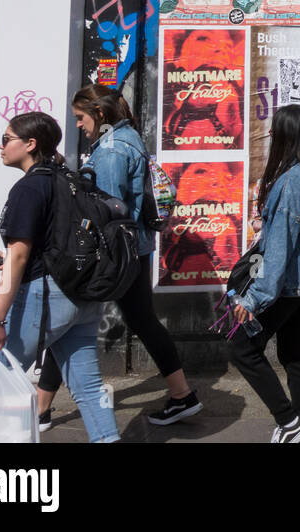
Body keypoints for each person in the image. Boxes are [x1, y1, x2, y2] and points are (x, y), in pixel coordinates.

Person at [36, 85, 201, 431]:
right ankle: (183, 395)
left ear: (98, 113)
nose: (78, 126)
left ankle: (41, 411)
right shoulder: (127, 139)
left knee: (69, 318)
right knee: (141, 321)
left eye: (80, 118)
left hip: (111, 255)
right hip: (133, 251)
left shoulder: (111, 150)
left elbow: (105, 209)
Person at [0, 112, 120, 443]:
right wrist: (10, 259)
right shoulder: (67, 179)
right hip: (82, 296)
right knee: (88, 389)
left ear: (30, 144)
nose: (0, 147)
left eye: (6, 139)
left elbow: (20, 255)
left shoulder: (29, 189)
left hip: (47, 298)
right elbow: (51, 242)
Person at [229, 104, 300, 443]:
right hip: (299, 283)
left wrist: (255, 298)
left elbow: (279, 247)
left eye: (274, 131)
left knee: (242, 349)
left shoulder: (292, 181)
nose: (270, 136)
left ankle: (290, 422)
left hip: (284, 284)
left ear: (286, 137)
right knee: (293, 353)